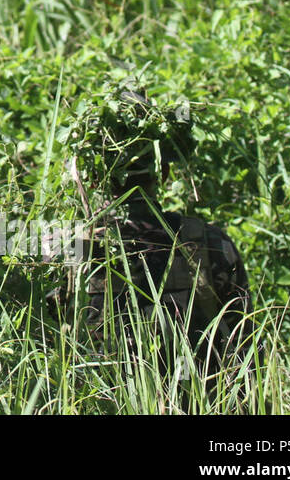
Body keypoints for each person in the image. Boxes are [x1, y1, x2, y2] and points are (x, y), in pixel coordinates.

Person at [51, 87, 254, 387]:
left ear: (93, 177)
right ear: (165, 173)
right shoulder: (212, 245)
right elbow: (248, 362)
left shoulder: (64, 252)